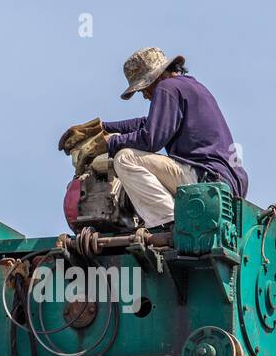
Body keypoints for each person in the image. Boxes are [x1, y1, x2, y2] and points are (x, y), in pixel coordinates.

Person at [58, 47, 249, 229]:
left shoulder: (167, 87)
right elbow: (148, 123)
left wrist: (109, 143)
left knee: (124, 158)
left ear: (154, 78)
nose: (145, 96)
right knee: (127, 151)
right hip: (222, 184)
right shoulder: (189, 86)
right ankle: (168, 217)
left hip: (204, 178)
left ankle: (167, 222)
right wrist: (102, 128)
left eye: (143, 89)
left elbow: (151, 139)